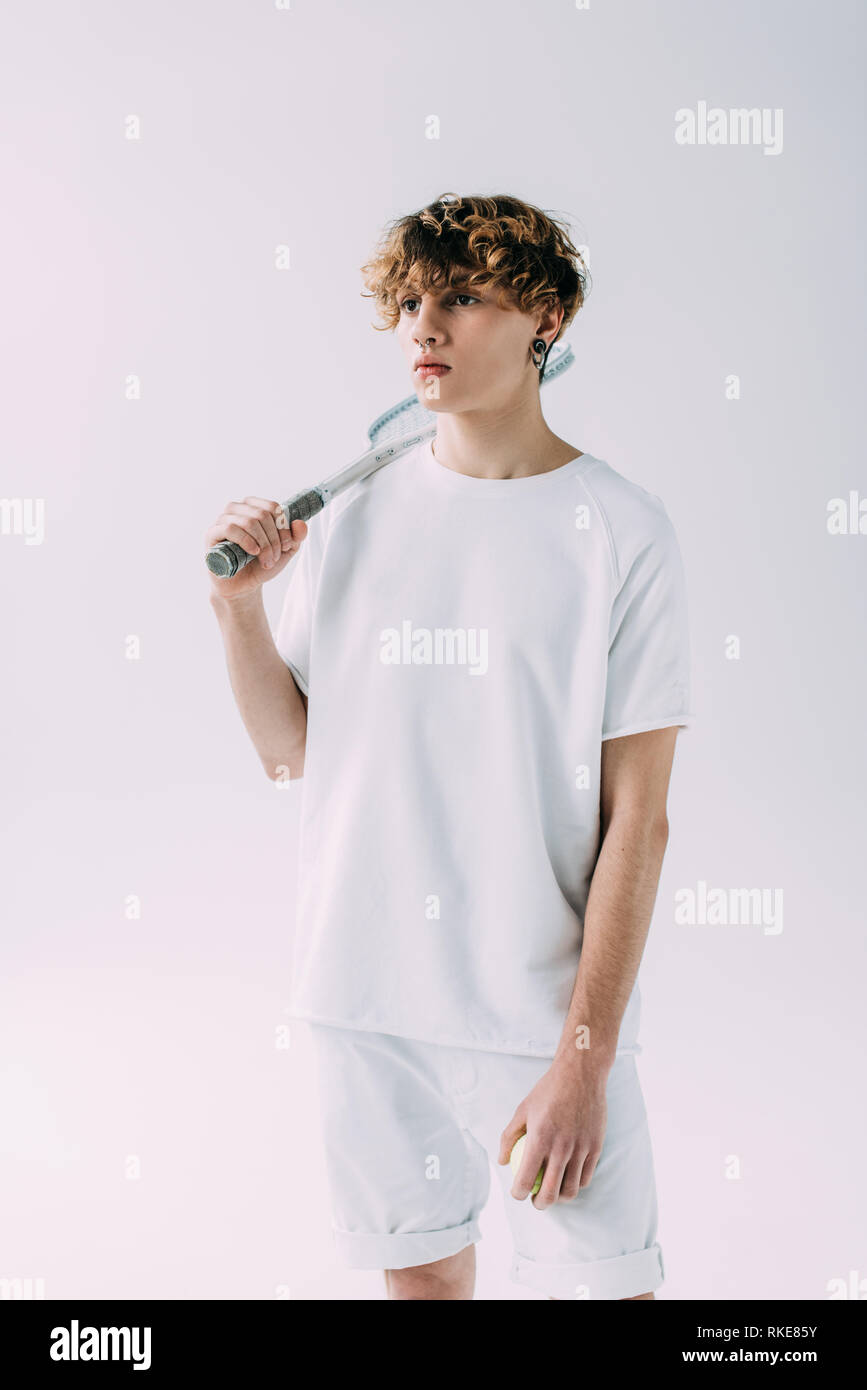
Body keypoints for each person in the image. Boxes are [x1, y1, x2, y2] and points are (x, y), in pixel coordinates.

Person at [206, 192, 695, 1301]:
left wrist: (585, 1056)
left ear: (546, 324)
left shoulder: (623, 532)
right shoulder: (349, 520)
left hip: (537, 1016)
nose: (426, 326)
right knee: (422, 1287)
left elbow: (641, 821)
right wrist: (238, 612)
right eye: (414, 301)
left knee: (611, 1289)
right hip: (363, 997)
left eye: (465, 298)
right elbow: (293, 754)